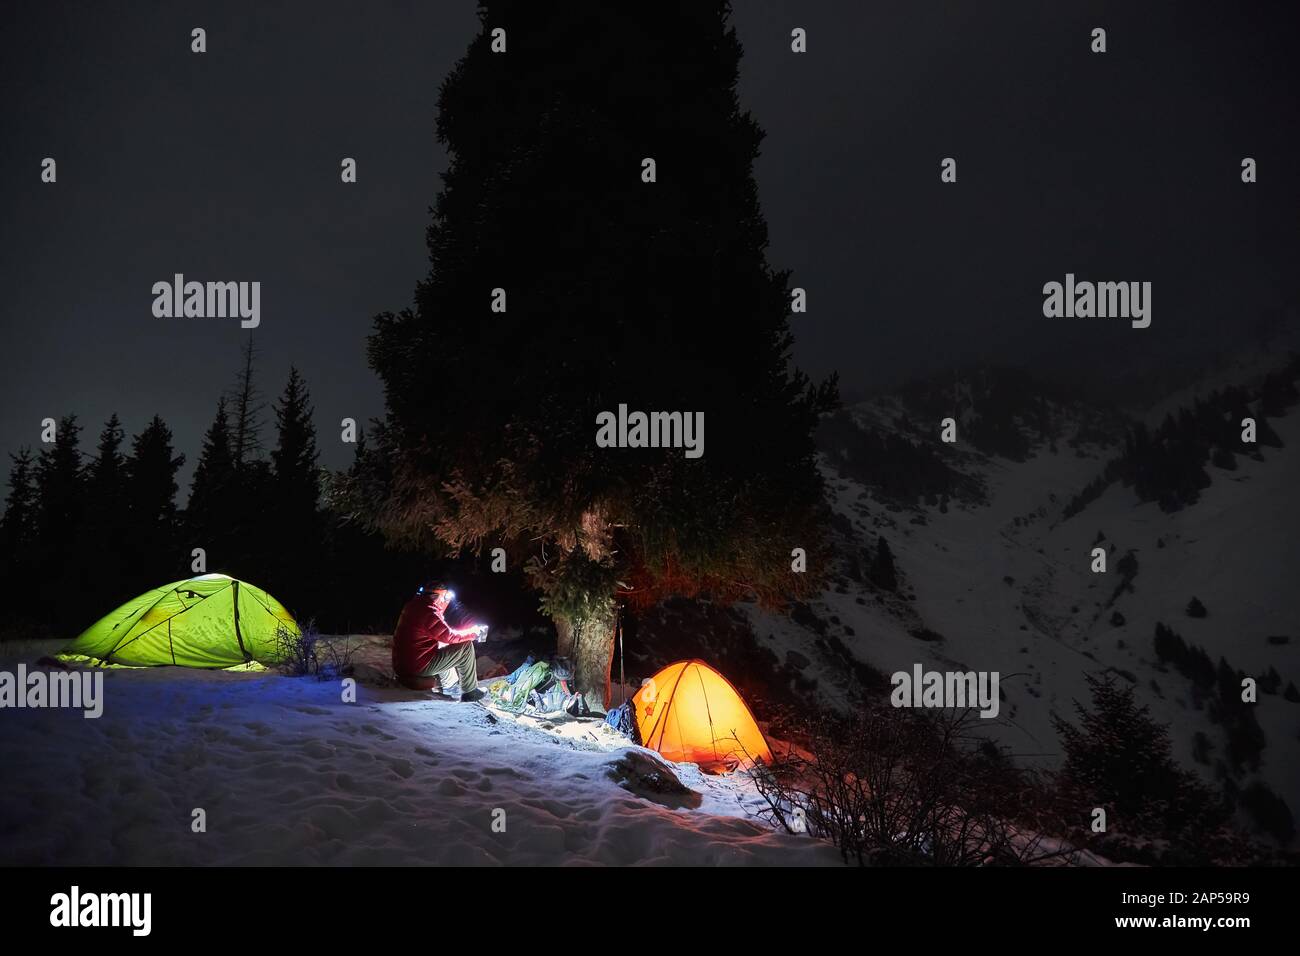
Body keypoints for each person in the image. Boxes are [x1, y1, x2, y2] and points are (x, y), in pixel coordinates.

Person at [392, 582, 488, 701]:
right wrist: (473, 633)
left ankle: (449, 686)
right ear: (436, 596)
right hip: (417, 666)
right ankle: (470, 692)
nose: (445, 601)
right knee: (465, 647)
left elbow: (443, 634)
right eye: (445, 597)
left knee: (444, 644)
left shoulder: (413, 606)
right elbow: (450, 636)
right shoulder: (429, 612)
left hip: (404, 664)